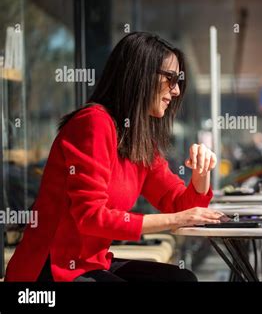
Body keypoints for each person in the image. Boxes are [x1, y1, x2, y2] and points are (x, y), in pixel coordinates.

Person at [5, 32, 225, 282]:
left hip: (92, 265)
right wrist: (175, 219)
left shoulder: (139, 140)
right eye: (170, 78)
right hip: (51, 270)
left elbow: (180, 206)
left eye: (178, 81)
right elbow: (90, 216)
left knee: (181, 280)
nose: (175, 91)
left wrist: (201, 173)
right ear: (141, 75)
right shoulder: (93, 123)